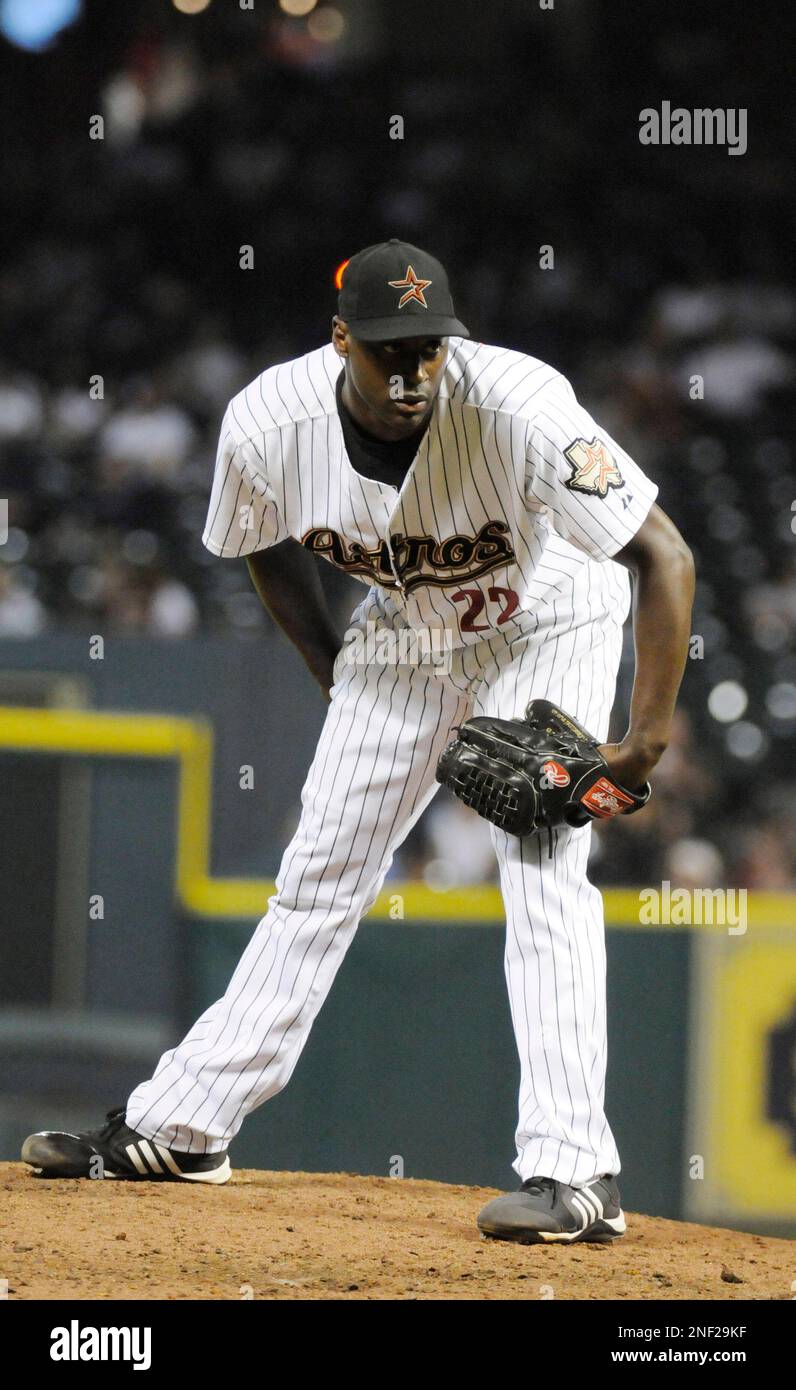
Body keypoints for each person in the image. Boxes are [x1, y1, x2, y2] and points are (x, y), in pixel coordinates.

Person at [22, 240, 695, 1244]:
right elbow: (260, 547)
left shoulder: (519, 403)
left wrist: (639, 745)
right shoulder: (268, 423)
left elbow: (662, 551)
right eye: (390, 349)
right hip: (403, 632)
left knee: (541, 858)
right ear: (342, 341)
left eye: (429, 345)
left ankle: (573, 1168)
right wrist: (333, 667)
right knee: (319, 870)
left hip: (547, 615)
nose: (414, 367)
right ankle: (185, 1122)